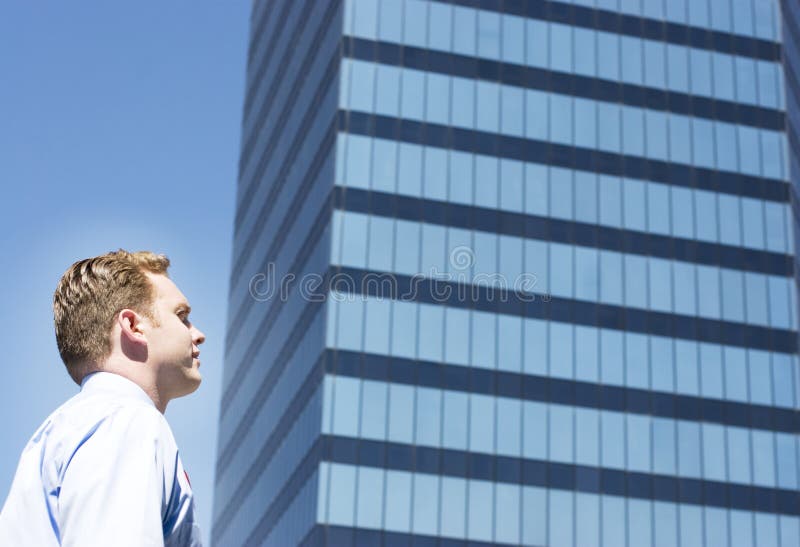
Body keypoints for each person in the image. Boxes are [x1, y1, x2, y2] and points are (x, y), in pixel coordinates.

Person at [0, 250, 206, 546]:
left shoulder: (59, 431)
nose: (198, 334)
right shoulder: (127, 420)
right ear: (133, 326)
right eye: (182, 316)